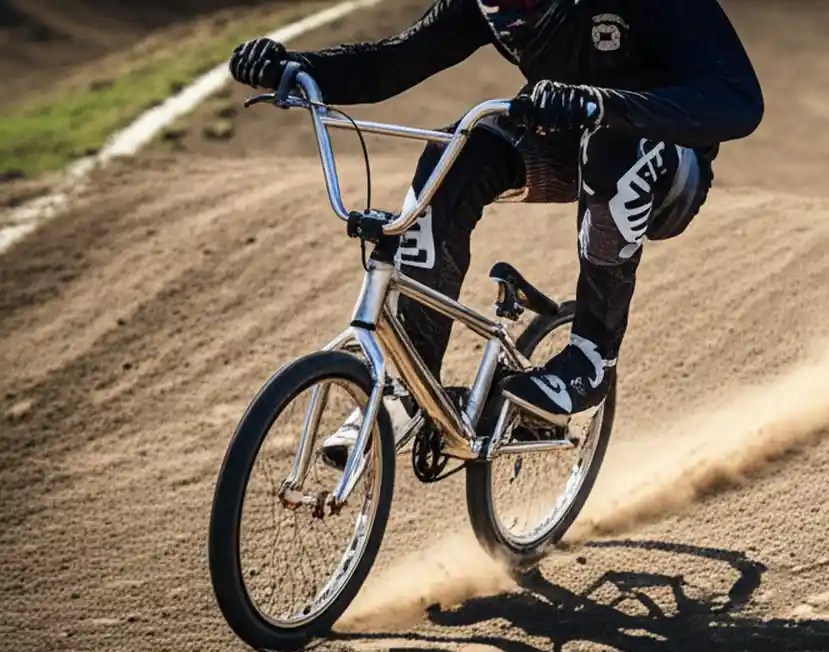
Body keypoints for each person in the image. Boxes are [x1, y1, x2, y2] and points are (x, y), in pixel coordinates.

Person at [229, 0, 763, 457]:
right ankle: (411, 386)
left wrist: (604, 103)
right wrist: (294, 68)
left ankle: (591, 360)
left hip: (669, 157)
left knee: (610, 142)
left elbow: (739, 101)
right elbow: (395, 61)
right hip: (564, 132)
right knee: (454, 154)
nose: (506, 12)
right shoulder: (487, 4)